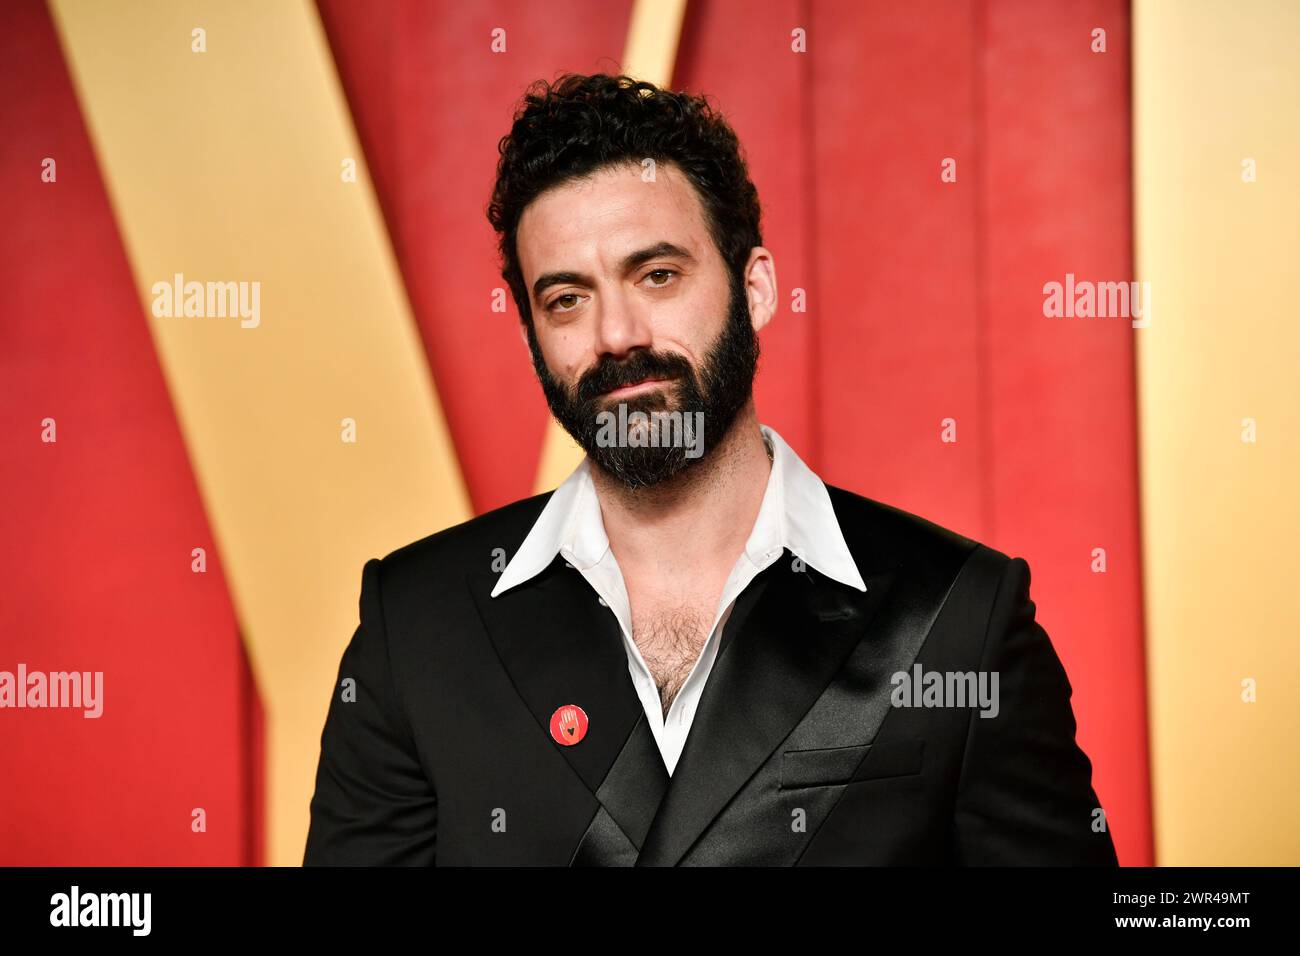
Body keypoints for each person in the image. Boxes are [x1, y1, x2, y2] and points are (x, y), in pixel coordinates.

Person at [303, 73, 1118, 866]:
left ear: (755, 287)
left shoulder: (956, 619)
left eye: (657, 275)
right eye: (566, 299)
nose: (617, 334)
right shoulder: (416, 628)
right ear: (530, 340)